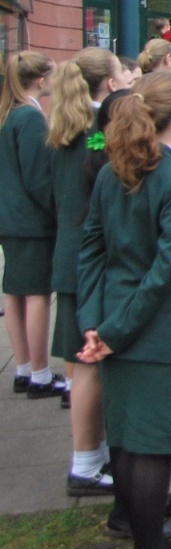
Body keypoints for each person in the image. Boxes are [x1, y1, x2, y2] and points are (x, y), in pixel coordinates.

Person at [77, 71, 171, 549]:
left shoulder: (113, 171)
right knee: (151, 447)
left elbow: (91, 249)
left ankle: (152, 545)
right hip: (157, 329)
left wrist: (95, 322)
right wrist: (112, 330)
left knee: (130, 441)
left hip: (118, 320)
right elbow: (164, 269)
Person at [47, 49, 127, 497]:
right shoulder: (95, 133)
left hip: (70, 251)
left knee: (80, 361)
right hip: (89, 258)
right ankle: (86, 463)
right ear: (109, 83)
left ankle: (89, 458)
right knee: (89, 365)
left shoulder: (63, 129)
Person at [0, 51, 63, 399]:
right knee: (37, 294)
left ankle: (25, 368)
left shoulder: (8, 114)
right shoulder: (31, 119)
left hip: (11, 219)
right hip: (32, 221)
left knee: (15, 293)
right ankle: (39, 373)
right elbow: (39, 178)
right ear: (41, 80)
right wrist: (60, 212)